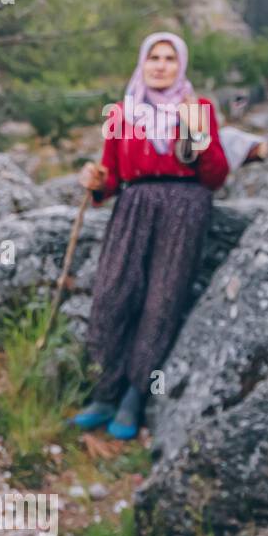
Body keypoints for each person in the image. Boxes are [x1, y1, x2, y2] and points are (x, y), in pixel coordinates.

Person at [72, 31, 229, 440]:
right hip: (134, 206)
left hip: (185, 207)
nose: (160, 65)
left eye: (169, 59)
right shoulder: (123, 115)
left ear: (182, 66)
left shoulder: (199, 109)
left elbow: (215, 177)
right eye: (153, 58)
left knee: (161, 301)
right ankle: (104, 392)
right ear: (141, 63)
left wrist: (199, 134)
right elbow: (110, 181)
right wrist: (94, 181)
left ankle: (134, 396)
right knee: (112, 294)